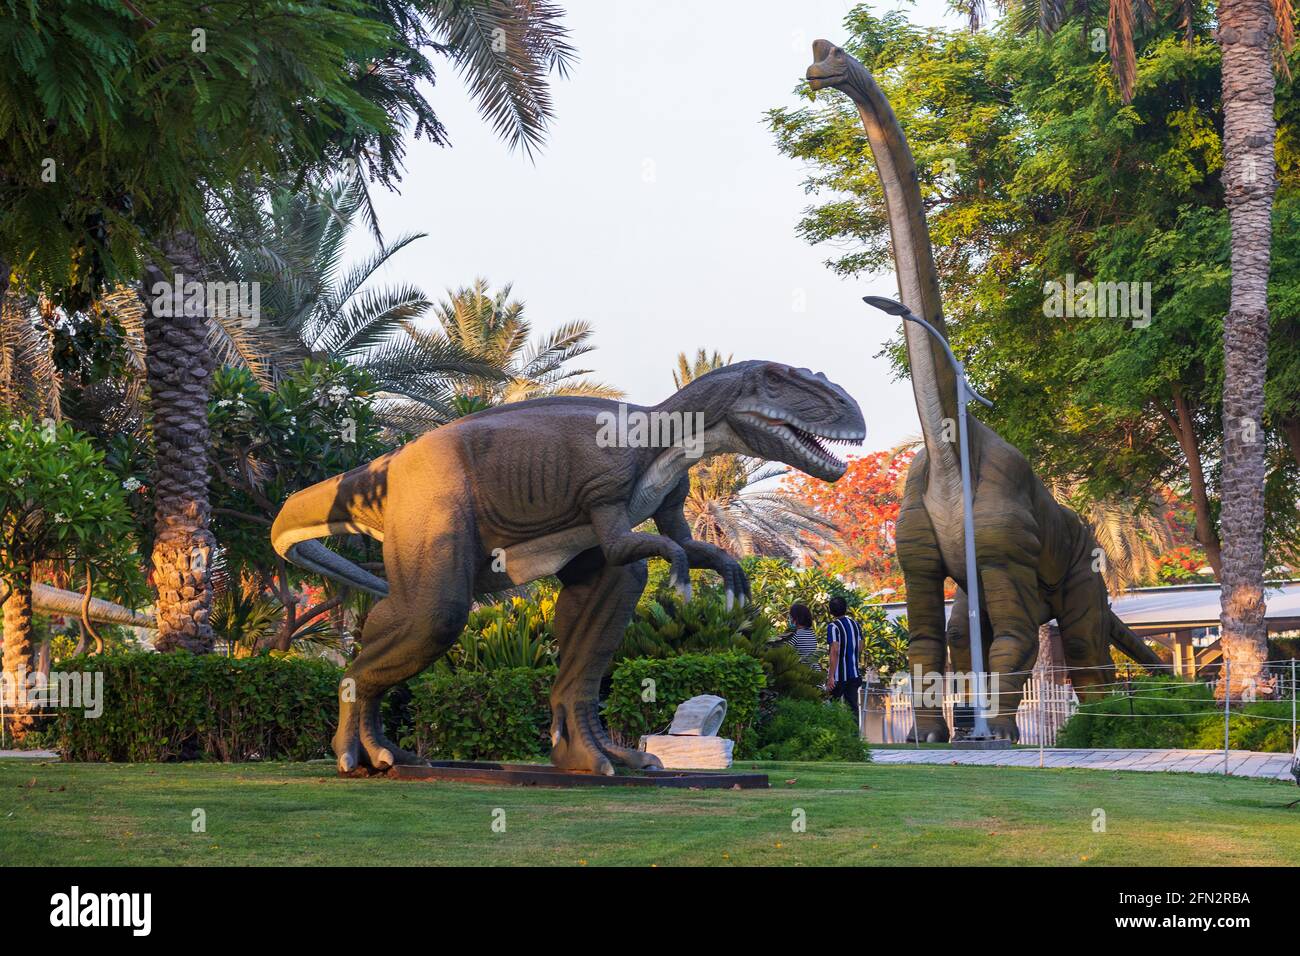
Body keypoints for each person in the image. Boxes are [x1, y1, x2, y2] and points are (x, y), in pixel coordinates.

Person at [825, 596, 864, 722]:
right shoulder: (855, 625)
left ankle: (834, 734)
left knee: (831, 706)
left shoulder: (833, 627)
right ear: (846, 608)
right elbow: (861, 646)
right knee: (852, 707)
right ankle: (854, 737)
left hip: (839, 676)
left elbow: (835, 650)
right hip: (854, 674)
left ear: (831, 611)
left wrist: (831, 676)